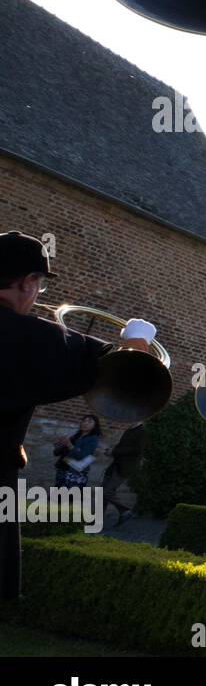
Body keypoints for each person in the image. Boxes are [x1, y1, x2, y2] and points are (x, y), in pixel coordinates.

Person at [0, 231, 154, 601]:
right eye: (38, 285)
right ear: (28, 282)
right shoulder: (36, 338)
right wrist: (137, 337)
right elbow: (123, 369)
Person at [102, 423, 146, 526]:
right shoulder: (129, 430)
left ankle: (125, 510)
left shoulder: (143, 431)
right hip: (115, 465)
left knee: (107, 492)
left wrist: (115, 451)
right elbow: (122, 446)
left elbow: (137, 450)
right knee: (102, 492)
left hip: (125, 467)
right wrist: (111, 451)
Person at [52, 414, 101, 489]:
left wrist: (70, 445)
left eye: (89, 422)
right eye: (84, 421)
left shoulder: (93, 439)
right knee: (57, 493)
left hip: (74, 471)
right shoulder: (76, 436)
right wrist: (59, 445)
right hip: (63, 467)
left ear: (95, 426)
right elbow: (57, 453)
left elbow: (81, 455)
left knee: (66, 497)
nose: (85, 423)